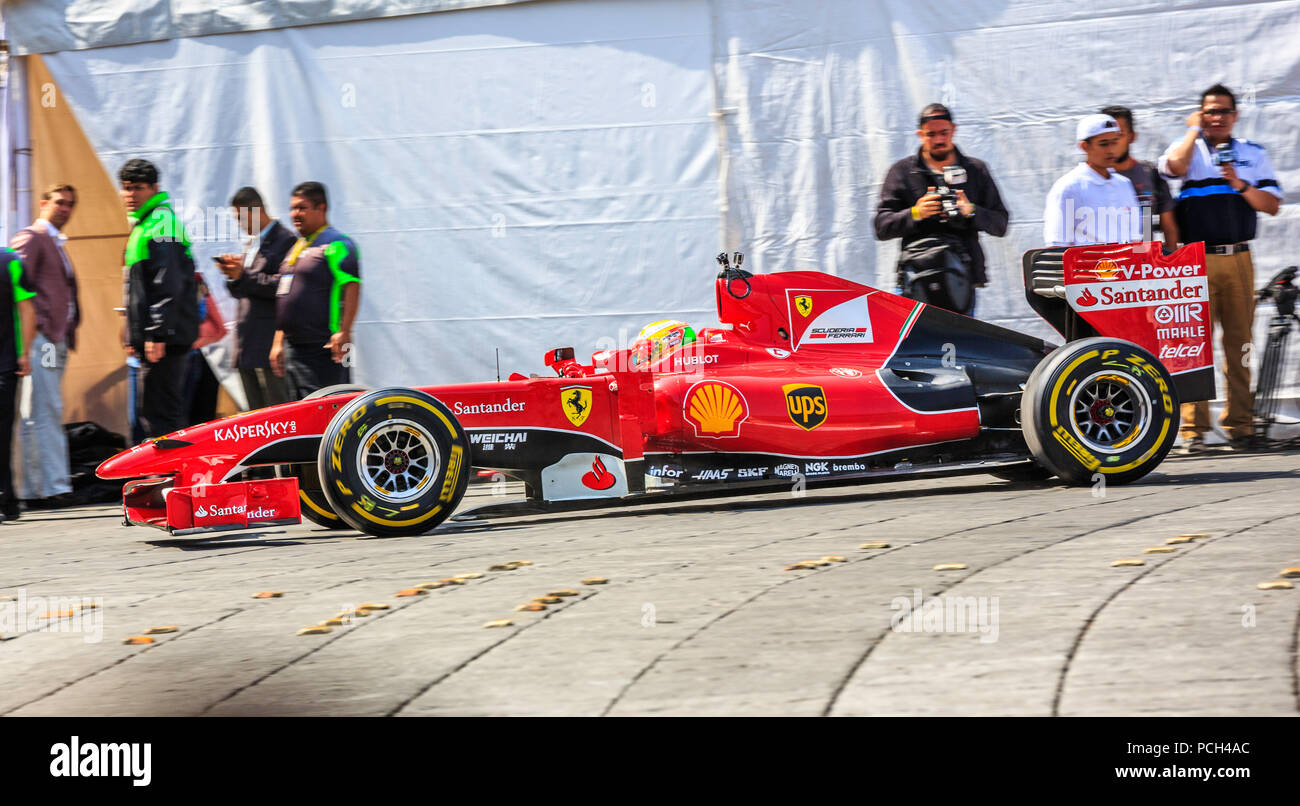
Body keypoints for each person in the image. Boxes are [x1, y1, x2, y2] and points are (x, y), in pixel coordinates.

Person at [1158, 84, 1283, 453]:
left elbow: (1272, 205)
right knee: (1192, 346)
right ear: (1200, 114)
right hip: (1194, 258)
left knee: (1240, 345)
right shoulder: (1187, 147)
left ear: (1236, 115)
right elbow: (1174, 168)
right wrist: (1192, 130)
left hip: (1239, 258)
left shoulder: (1251, 153)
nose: (1217, 118)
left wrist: (1238, 183)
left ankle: (1240, 426)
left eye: (1224, 111)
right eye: (1210, 111)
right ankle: (1193, 431)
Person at [875, 103, 1009, 315]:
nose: (938, 140)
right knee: (912, 346)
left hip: (961, 280)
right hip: (915, 280)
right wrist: (916, 213)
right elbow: (881, 227)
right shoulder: (902, 171)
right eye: (931, 134)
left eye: (944, 133)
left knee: (962, 345)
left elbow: (1001, 224)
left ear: (953, 130)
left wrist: (971, 211)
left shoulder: (975, 170)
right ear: (920, 134)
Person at [8, 183, 80, 510]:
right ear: (43, 203)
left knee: (44, 409)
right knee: (41, 410)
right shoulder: (33, 237)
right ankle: (46, 487)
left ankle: (45, 485)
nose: (65, 208)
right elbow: (16, 286)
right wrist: (39, 324)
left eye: (70, 204)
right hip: (42, 339)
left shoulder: (54, 241)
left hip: (54, 338)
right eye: (60, 203)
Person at [119, 158, 199, 439]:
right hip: (157, 338)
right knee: (154, 413)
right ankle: (164, 479)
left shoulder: (161, 222)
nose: (130, 194)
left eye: (138, 188)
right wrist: (133, 334)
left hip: (165, 339)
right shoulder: (145, 224)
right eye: (126, 188)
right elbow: (140, 288)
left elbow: (168, 284)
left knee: (161, 416)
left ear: (155, 188)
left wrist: (157, 334)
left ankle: (170, 480)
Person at [270, 182, 361, 399]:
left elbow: (352, 285)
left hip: (324, 348)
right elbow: (286, 296)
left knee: (326, 411)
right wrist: (277, 343)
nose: (295, 214)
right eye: (292, 208)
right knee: (298, 416)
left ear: (321, 209)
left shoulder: (337, 243)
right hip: (294, 349)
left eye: (302, 207)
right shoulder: (297, 247)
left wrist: (345, 331)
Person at [216, 187, 296, 410]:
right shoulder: (253, 242)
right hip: (247, 345)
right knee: (256, 418)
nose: (240, 224)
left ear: (257, 210)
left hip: (268, 344)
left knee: (277, 415)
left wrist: (243, 275)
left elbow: (283, 286)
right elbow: (245, 288)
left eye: (241, 217)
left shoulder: (285, 240)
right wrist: (234, 276)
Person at [1043, 114, 1142, 247]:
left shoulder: (1124, 184)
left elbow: (1137, 238)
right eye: (1104, 144)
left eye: (1114, 142)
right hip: (1087, 267)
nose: (1111, 150)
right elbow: (1056, 245)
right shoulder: (1068, 187)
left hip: (1127, 267)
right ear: (1084, 146)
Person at [1099, 106, 1180, 248]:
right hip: (1107, 264)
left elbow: (1169, 227)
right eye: (1106, 138)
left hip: (1144, 263)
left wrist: (1170, 262)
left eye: (1118, 136)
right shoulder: (1092, 179)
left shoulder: (1150, 173)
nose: (1112, 144)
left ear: (1132, 136)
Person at [0, 248, 36, 521]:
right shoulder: (10, 260)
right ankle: (8, 500)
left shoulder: (11, 260)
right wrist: (24, 353)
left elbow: (26, 308)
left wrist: (24, 353)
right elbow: (27, 309)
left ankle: (7, 499)